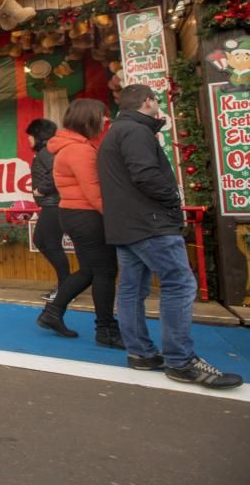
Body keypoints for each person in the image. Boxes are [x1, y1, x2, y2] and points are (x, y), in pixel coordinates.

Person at [98, 84, 243, 389]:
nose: (158, 105)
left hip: (126, 225)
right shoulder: (136, 131)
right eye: (156, 101)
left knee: (132, 289)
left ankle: (140, 353)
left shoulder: (115, 132)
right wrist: (173, 200)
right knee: (179, 283)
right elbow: (145, 174)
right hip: (150, 223)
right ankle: (180, 361)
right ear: (147, 101)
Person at [36, 100, 123, 349]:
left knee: (89, 270)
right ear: (89, 119)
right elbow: (94, 192)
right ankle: (106, 330)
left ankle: (53, 312)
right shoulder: (80, 150)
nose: (105, 120)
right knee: (105, 272)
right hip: (87, 215)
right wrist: (117, 219)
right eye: (102, 116)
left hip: (75, 214)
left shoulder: (72, 146)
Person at [25, 119, 70, 301]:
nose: (28, 139)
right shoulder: (45, 152)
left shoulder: (47, 152)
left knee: (52, 245)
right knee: (40, 241)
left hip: (54, 205)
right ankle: (66, 285)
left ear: (39, 136)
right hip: (50, 205)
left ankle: (66, 289)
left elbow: (56, 172)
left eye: (30, 136)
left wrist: (41, 190)